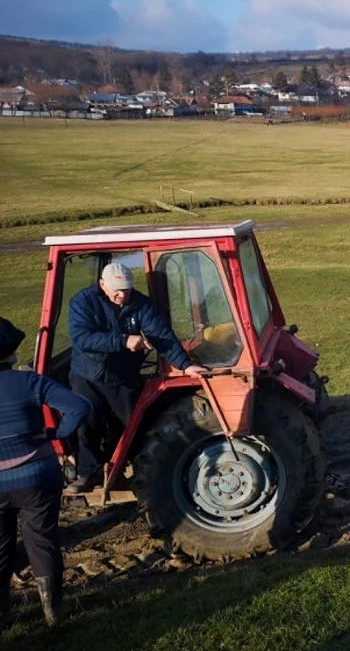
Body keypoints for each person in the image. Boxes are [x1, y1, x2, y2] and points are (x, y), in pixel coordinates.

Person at [67, 262, 207, 494]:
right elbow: (82, 338)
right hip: (88, 374)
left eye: (127, 290)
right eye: (117, 290)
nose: (122, 295)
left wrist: (186, 365)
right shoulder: (83, 302)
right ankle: (88, 474)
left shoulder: (141, 304)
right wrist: (123, 340)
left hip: (122, 375)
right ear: (102, 285)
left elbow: (162, 335)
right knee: (87, 425)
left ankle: (143, 473)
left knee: (133, 423)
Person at [0, 317, 92, 627]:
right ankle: (53, 611)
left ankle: (3, 613)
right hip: (38, 475)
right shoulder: (30, 382)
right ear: (11, 353)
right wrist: (56, 435)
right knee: (42, 539)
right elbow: (80, 407)